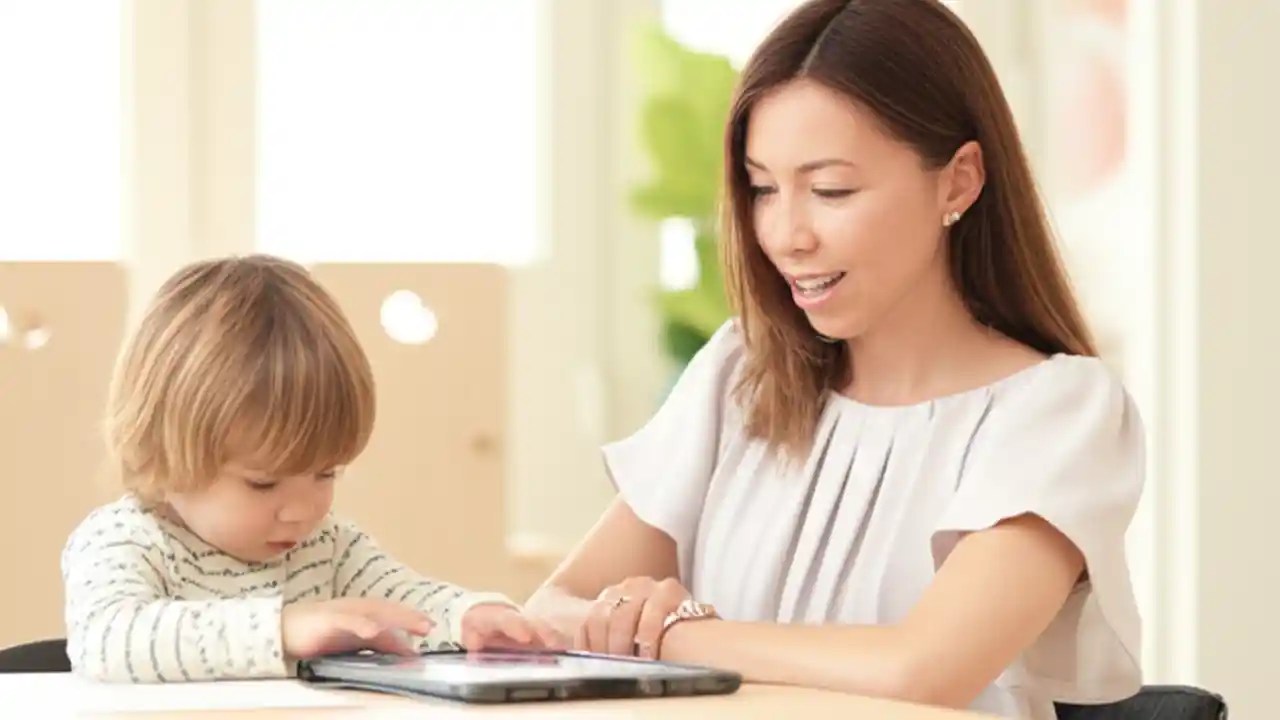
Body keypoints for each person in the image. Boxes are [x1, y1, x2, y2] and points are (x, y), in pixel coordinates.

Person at [526, 1, 1144, 717]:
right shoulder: (741, 376)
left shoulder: (1057, 411)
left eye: (830, 191)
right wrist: (638, 627)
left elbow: (923, 671)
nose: (786, 234)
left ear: (960, 181)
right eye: (762, 188)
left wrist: (671, 634)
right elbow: (555, 607)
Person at [63, 255, 560, 683]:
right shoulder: (125, 540)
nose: (302, 511)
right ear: (165, 455)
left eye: (327, 474)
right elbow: (107, 640)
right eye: (264, 483)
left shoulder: (327, 548)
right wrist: (284, 628)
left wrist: (470, 616)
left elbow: (407, 600)